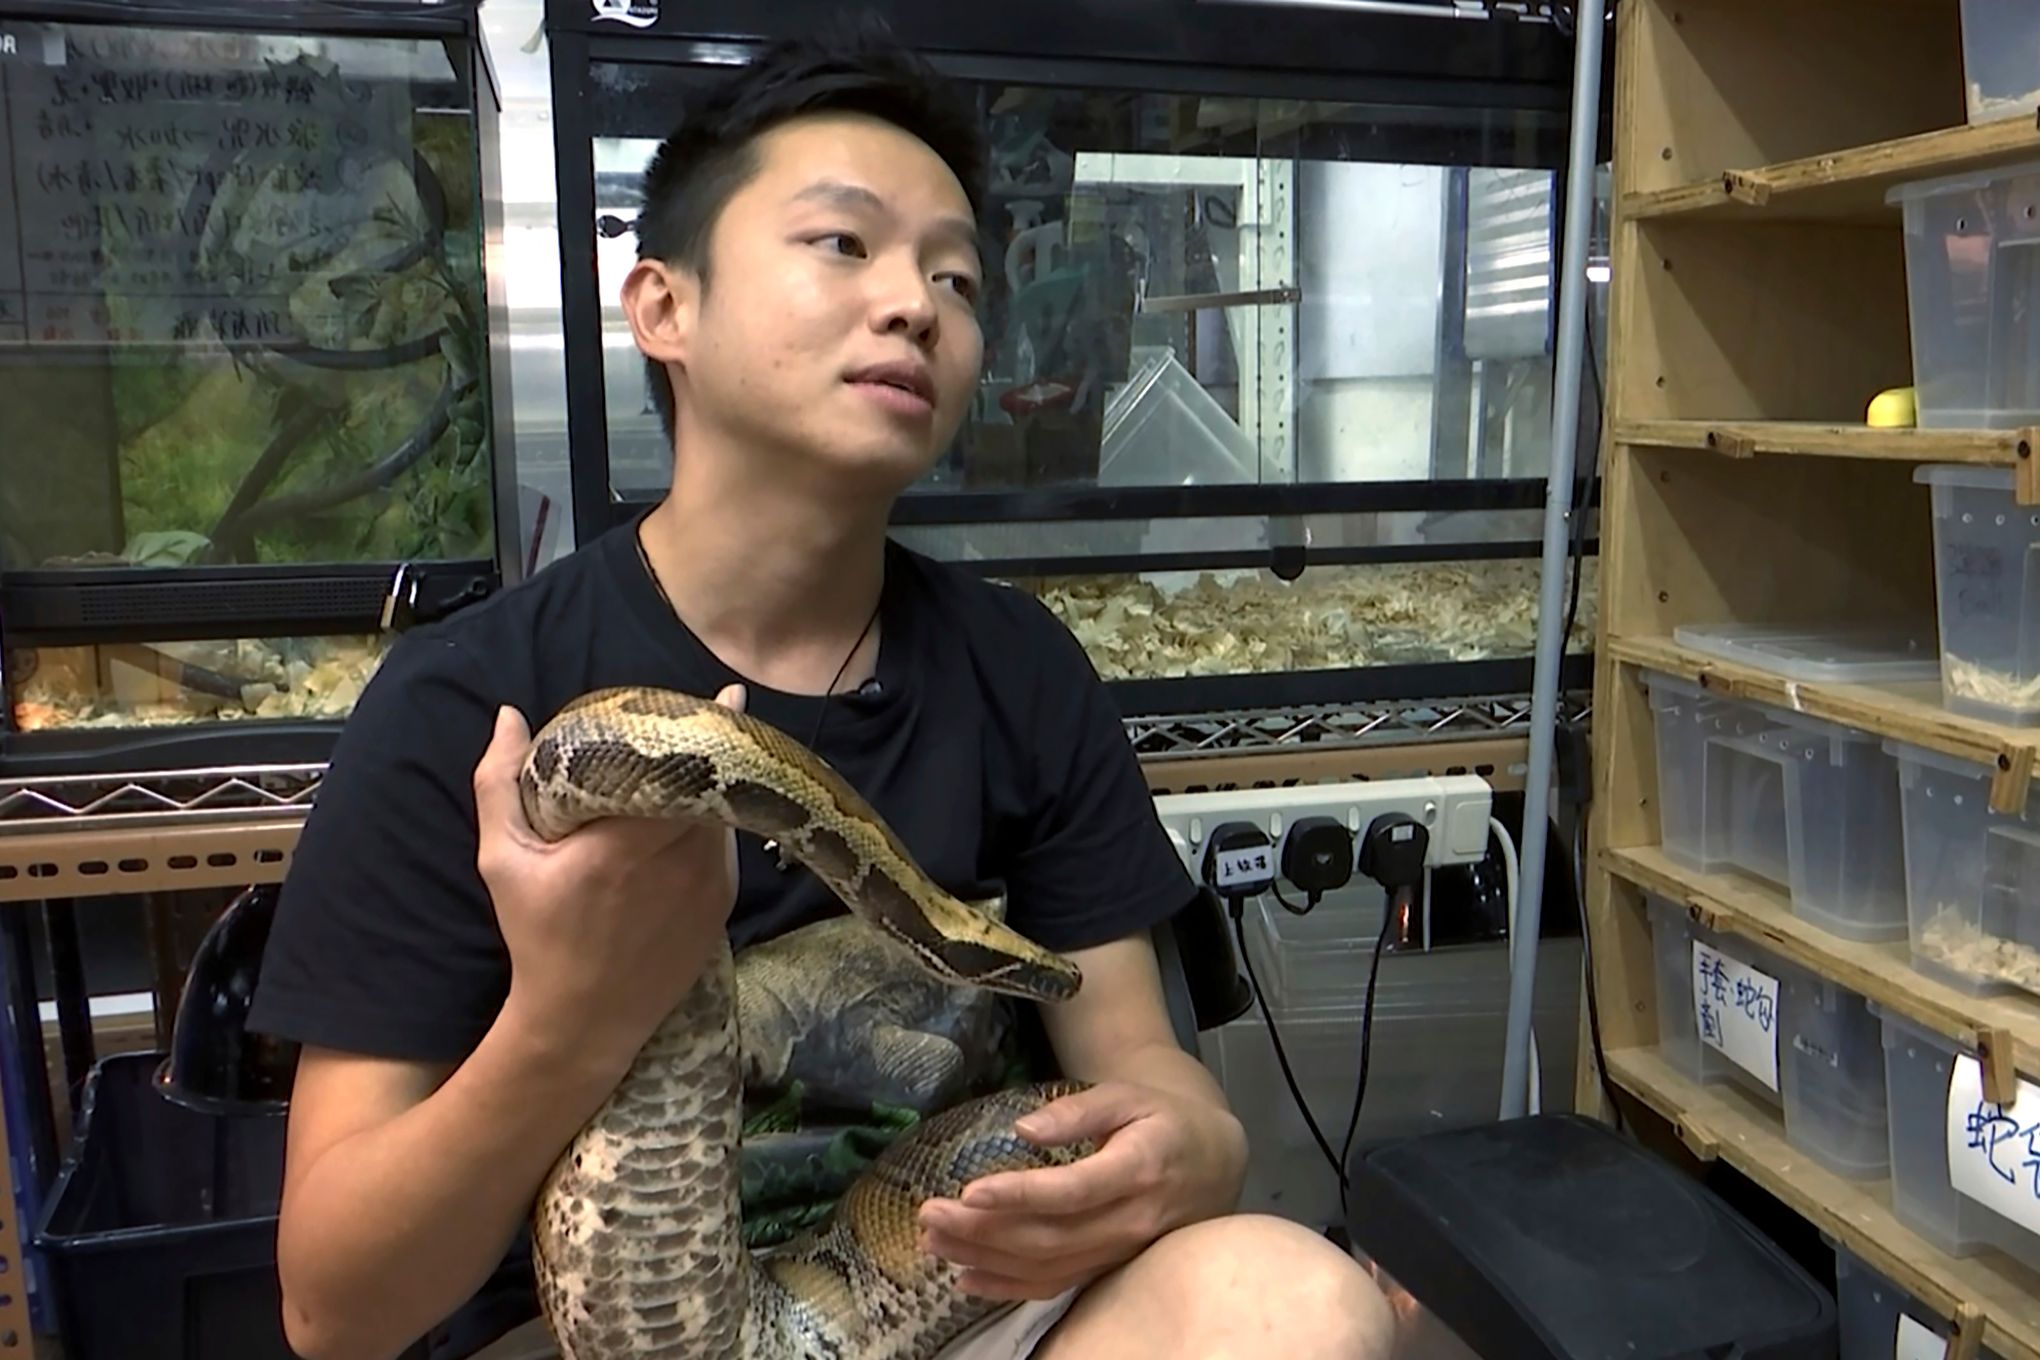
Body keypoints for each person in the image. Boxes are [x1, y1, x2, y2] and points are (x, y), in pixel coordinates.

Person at [247, 23, 1397, 1360]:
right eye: (844, 243)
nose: (916, 303)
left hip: (946, 1301)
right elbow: (335, 1309)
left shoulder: (1019, 668)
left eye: (957, 278)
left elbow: (1139, 1066)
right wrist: (574, 1013)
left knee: (1297, 1300)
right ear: (663, 308)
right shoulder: (469, 706)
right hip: (592, 1333)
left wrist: (1195, 1144)